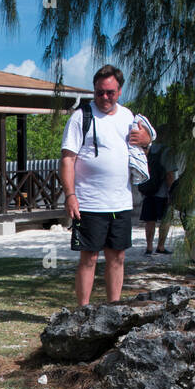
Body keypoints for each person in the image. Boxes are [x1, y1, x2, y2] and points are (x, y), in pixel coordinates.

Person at [60, 65, 153, 306]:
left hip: (120, 201)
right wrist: (70, 195)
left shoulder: (128, 116)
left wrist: (147, 141)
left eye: (110, 92)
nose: (104, 97)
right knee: (89, 258)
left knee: (117, 257)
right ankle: (83, 311)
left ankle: (114, 309)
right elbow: (67, 159)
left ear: (119, 91)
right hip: (89, 202)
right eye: (99, 92)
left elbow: (140, 147)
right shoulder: (80, 117)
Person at [141, 134, 182, 255]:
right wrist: (171, 192)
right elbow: (170, 175)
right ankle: (161, 246)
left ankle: (149, 247)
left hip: (148, 191)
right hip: (162, 193)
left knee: (149, 220)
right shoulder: (167, 151)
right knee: (165, 220)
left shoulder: (149, 149)